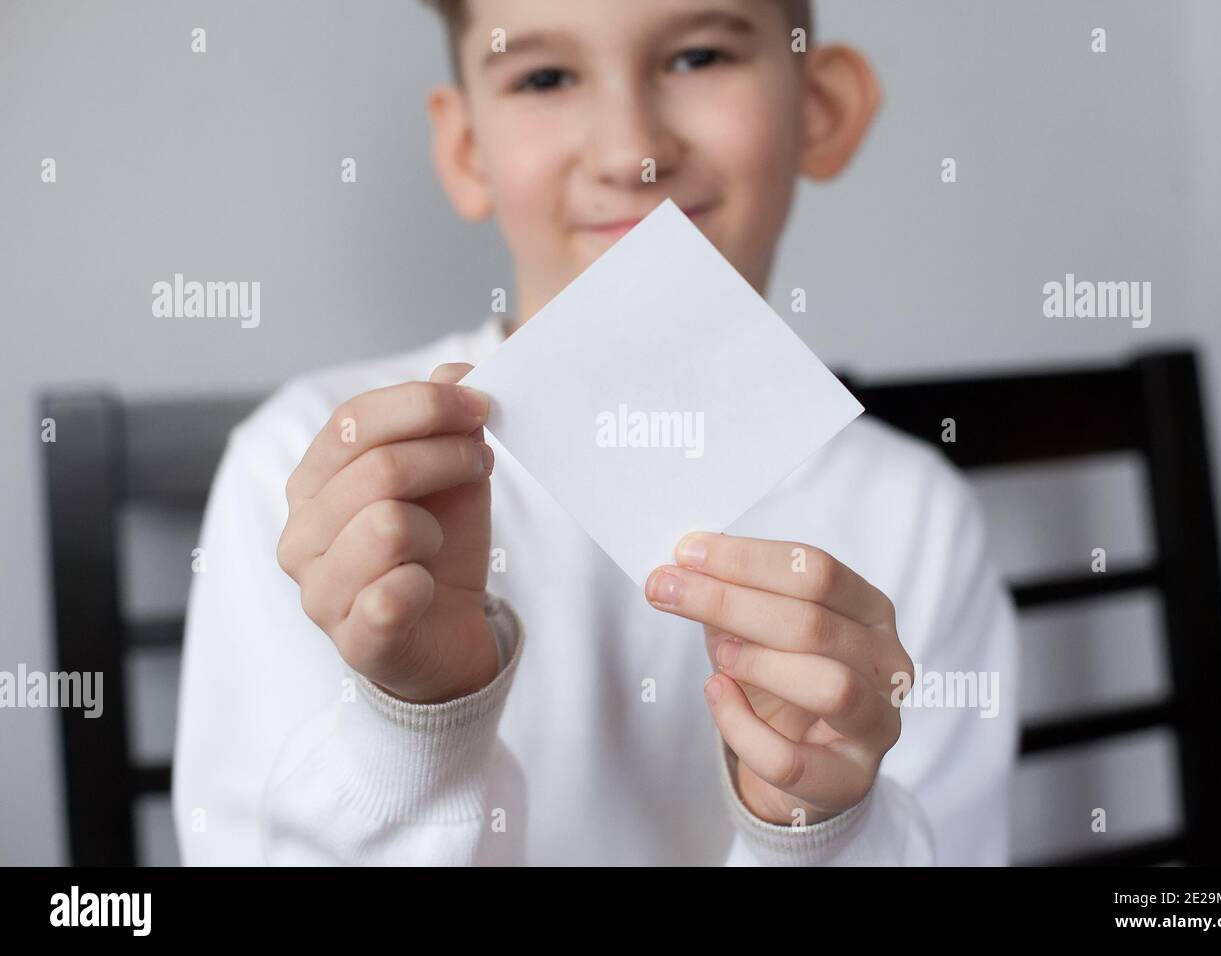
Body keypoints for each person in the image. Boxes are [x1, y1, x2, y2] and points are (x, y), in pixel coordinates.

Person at [172, 0, 1018, 865]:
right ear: (467, 151)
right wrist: (416, 720)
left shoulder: (916, 515)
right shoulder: (311, 471)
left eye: (698, 57)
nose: (632, 151)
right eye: (544, 77)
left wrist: (819, 825)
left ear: (822, 108)